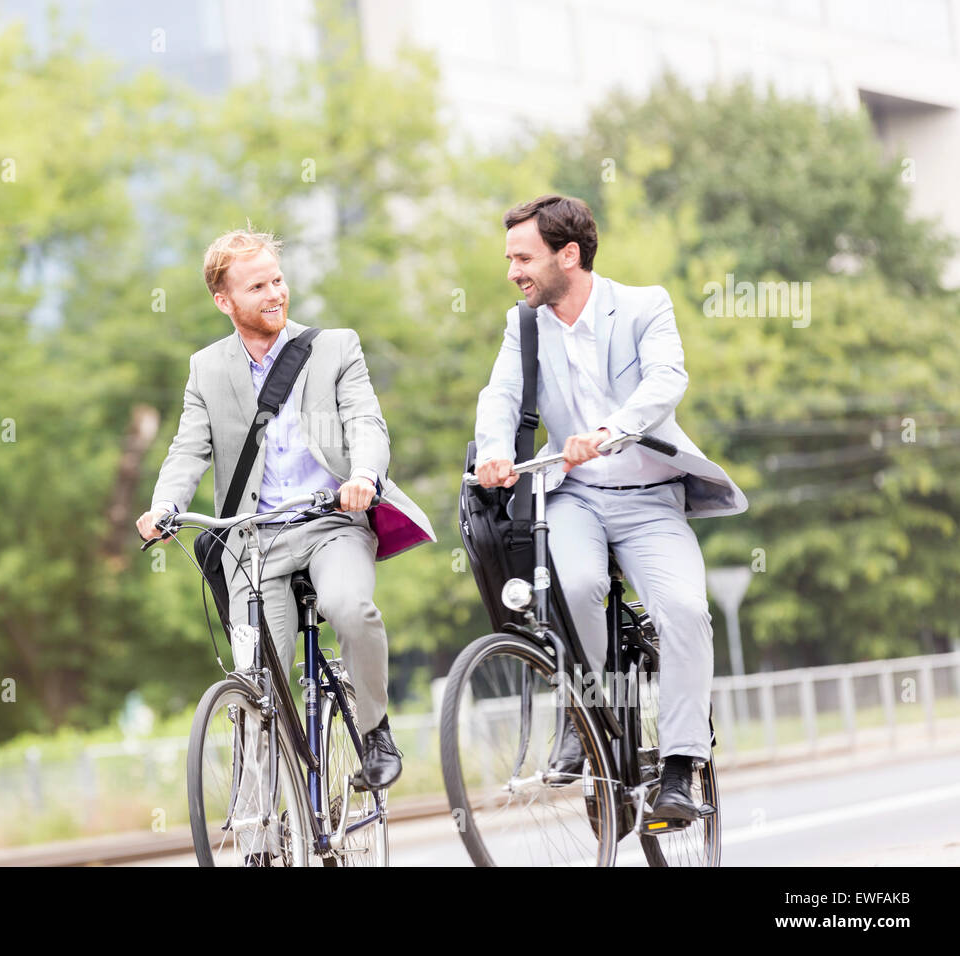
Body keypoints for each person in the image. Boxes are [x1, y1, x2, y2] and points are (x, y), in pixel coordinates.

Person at [137, 227, 435, 859]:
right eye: (257, 286)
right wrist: (164, 506)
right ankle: (260, 825)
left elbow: (366, 421)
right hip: (254, 542)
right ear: (224, 300)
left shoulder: (333, 347)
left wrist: (363, 475)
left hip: (331, 522)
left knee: (350, 607)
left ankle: (375, 732)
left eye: (277, 279)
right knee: (255, 682)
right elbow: (188, 449)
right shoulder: (207, 368)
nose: (275, 293)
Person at [474, 195, 747, 820]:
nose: (513, 272)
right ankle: (586, 716)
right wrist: (493, 451)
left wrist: (608, 431)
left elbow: (666, 380)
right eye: (510, 259)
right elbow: (500, 394)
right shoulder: (524, 325)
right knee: (574, 587)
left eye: (523, 258)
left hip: (650, 498)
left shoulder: (645, 305)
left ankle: (680, 766)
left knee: (684, 611)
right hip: (575, 496)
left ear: (568, 255)